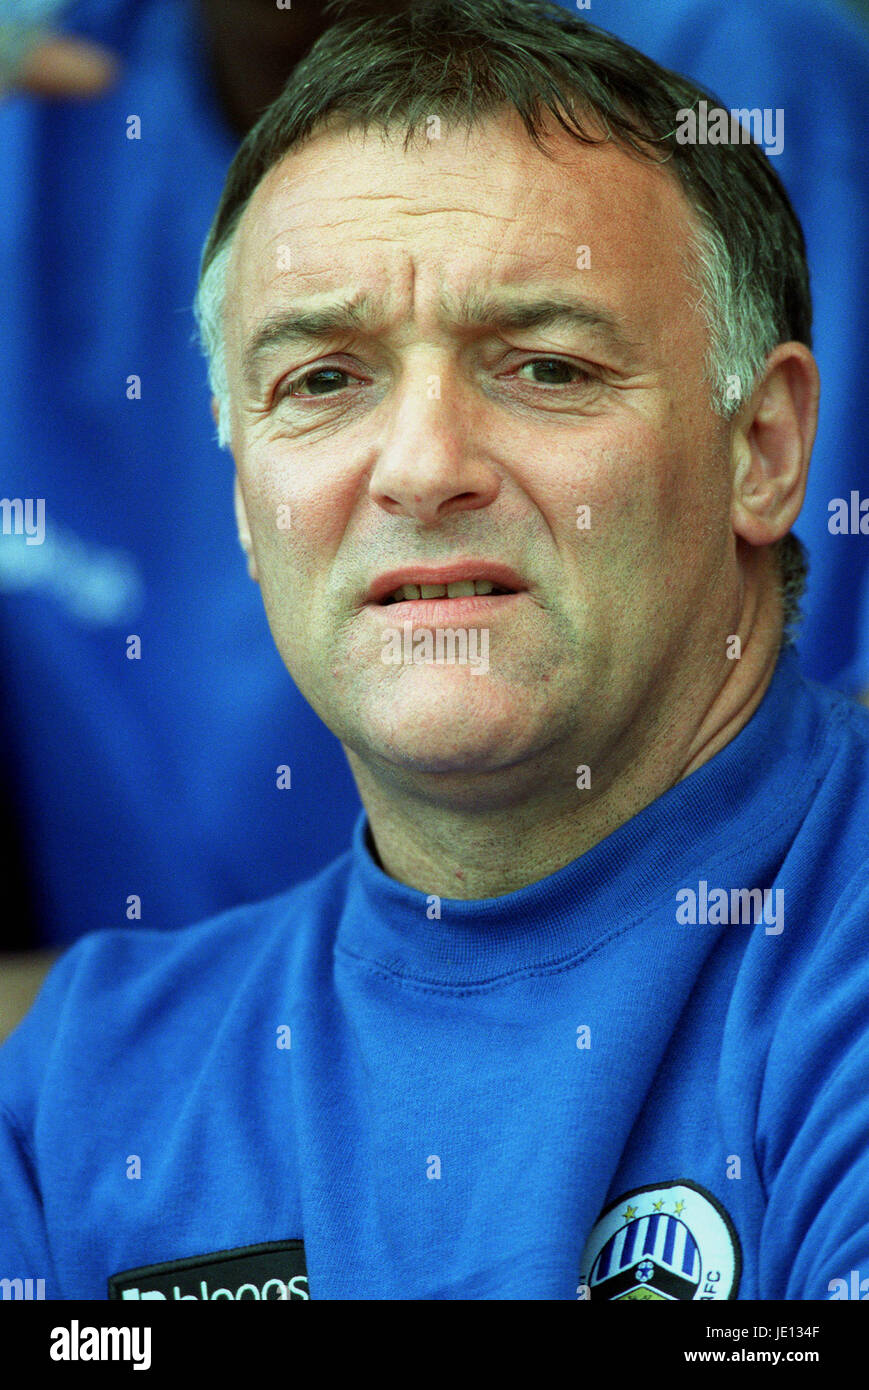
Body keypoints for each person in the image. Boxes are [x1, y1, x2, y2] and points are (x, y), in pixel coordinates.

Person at [1, 0, 868, 1302]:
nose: (417, 467)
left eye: (544, 366)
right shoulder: (84, 1078)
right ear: (242, 496)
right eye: (324, 380)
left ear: (763, 449)